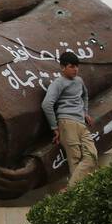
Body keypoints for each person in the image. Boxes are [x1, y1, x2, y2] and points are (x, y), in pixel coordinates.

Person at [43, 51, 98, 186]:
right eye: (72, 66)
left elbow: (84, 96)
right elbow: (46, 105)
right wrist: (54, 127)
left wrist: (85, 112)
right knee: (75, 159)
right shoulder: (58, 83)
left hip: (81, 123)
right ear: (63, 67)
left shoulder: (79, 81)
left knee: (92, 156)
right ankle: (76, 195)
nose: (75, 69)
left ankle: (70, 190)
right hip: (66, 122)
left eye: (77, 66)